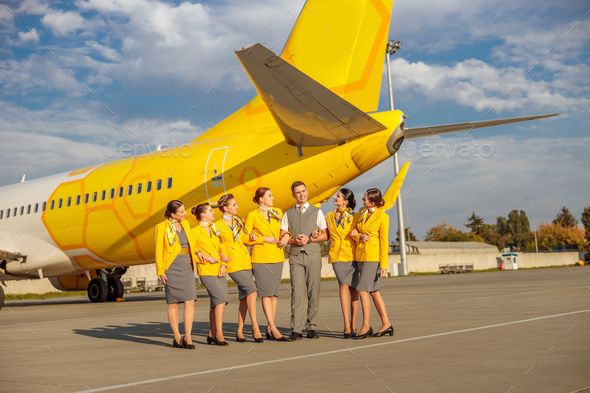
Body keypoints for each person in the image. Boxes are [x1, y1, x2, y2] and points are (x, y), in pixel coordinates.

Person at [280, 181, 328, 341]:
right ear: (294, 195)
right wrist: (295, 241)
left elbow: (326, 235)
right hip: (295, 256)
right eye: (298, 192)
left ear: (307, 192)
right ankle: (296, 329)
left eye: (303, 191)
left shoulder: (317, 212)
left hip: (313, 254)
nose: (302, 194)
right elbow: (282, 237)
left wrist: (309, 239)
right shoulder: (287, 214)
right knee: (297, 292)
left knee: (313, 291)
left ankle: (312, 327)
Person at [215, 194, 264, 343]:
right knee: (252, 290)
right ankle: (255, 326)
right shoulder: (216, 225)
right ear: (226, 208)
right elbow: (215, 245)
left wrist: (255, 237)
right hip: (232, 263)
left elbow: (244, 239)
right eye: (234, 205)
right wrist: (221, 258)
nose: (237, 207)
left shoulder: (239, 221)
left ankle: (240, 331)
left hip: (245, 261)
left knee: (244, 298)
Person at [245, 187, 289, 342]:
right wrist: (263, 239)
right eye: (270, 196)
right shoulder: (252, 215)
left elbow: (286, 230)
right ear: (261, 199)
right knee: (265, 293)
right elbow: (245, 237)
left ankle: (270, 328)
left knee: (273, 294)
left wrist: (285, 237)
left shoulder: (277, 211)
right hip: (261, 258)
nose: (273, 198)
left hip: (277, 256)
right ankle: (272, 326)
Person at [154, 200, 200, 349]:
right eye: (181, 212)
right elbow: (158, 250)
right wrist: (160, 271)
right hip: (171, 267)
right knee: (173, 303)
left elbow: (192, 244)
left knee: (190, 300)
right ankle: (177, 337)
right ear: (173, 214)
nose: (185, 213)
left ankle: (188, 336)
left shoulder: (186, 224)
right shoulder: (161, 227)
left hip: (186, 265)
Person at [350, 188, 394, 339]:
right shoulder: (362, 212)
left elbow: (384, 242)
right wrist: (359, 236)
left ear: (373, 202)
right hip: (360, 256)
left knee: (362, 289)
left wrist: (384, 266)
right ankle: (386, 324)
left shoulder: (383, 217)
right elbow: (354, 231)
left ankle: (366, 326)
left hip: (372, 257)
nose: (362, 201)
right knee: (374, 291)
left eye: (365, 199)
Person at [192, 202, 230, 346]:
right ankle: (219, 334)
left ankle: (211, 334)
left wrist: (223, 265)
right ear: (203, 215)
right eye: (210, 211)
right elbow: (192, 251)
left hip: (219, 270)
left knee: (217, 302)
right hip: (206, 270)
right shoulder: (194, 231)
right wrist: (204, 256)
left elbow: (223, 247)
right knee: (220, 299)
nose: (214, 213)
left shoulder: (215, 229)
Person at [325, 188, 359, 339]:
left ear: (345, 202)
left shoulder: (355, 216)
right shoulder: (329, 215)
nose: (335, 197)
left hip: (352, 254)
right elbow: (326, 234)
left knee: (354, 288)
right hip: (337, 255)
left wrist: (357, 234)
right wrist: (315, 235)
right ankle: (346, 323)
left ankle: (354, 323)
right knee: (343, 285)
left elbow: (359, 231)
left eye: (338, 196)